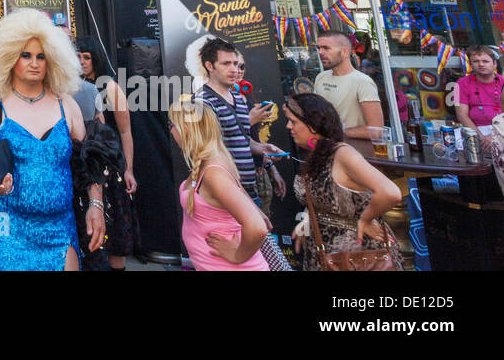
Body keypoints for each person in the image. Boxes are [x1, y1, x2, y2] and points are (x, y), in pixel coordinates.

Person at [0, 9, 106, 271]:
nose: (35, 63)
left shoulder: (67, 105)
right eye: (26, 55)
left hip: (60, 226)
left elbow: (91, 162)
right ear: (9, 57)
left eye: (41, 56)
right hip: (9, 229)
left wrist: (96, 204)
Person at [285, 93, 403, 271]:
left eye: (293, 121)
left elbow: (390, 192)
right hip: (324, 253)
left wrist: (366, 219)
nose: (288, 126)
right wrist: (308, 223)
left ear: (313, 125)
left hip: (357, 257)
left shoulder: (343, 154)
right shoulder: (318, 155)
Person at [167, 98, 269, 271]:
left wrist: (237, 255)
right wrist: (251, 207)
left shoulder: (213, 172)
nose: (170, 130)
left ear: (185, 129)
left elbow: (257, 228)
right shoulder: (210, 161)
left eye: (172, 125)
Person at [190, 36, 286, 206]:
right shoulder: (202, 101)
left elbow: (241, 139)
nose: (234, 69)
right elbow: (207, 149)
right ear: (209, 66)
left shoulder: (238, 98)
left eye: (236, 64)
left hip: (249, 190)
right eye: (226, 64)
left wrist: (263, 148)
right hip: (224, 194)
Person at [77, 39, 137, 270]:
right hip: (83, 167)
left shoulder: (109, 87)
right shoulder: (69, 87)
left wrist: (128, 168)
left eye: (87, 57)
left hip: (109, 167)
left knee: (114, 234)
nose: (81, 62)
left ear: (96, 59)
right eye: (78, 57)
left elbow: (125, 131)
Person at [313, 30, 383, 137]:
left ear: (345, 52)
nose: (320, 52)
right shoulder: (321, 77)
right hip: (325, 149)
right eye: (319, 48)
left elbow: (376, 131)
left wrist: (337, 132)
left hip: (354, 150)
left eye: (326, 48)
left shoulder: (363, 82)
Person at [454, 46, 504, 128]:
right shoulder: (459, 84)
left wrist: (495, 134)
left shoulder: (502, 81)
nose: (481, 64)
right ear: (471, 64)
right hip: (474, 130)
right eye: (476, 61)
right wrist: (479, 136)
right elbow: (461, 116)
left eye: (485, 61)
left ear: (494, 64)